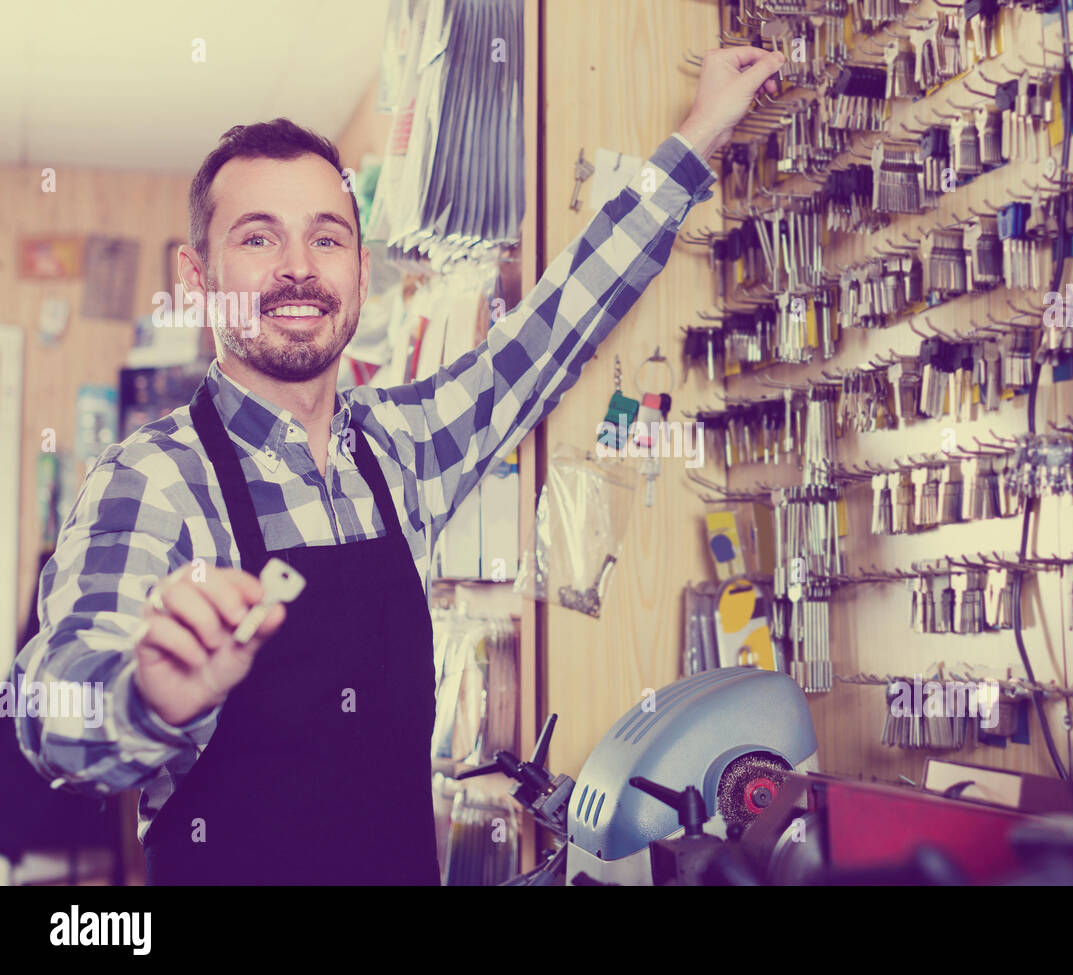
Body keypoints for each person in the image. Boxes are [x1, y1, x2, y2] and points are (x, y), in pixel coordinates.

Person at [11, 46, 785, 885]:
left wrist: (698, 133)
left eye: (327, 236)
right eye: (258, 237)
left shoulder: (399, 446)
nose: (299, 267)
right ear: (198, 280)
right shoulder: (152, 478)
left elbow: (551, 332)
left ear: (359, 270)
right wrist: (145, 696)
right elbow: (52, 707)